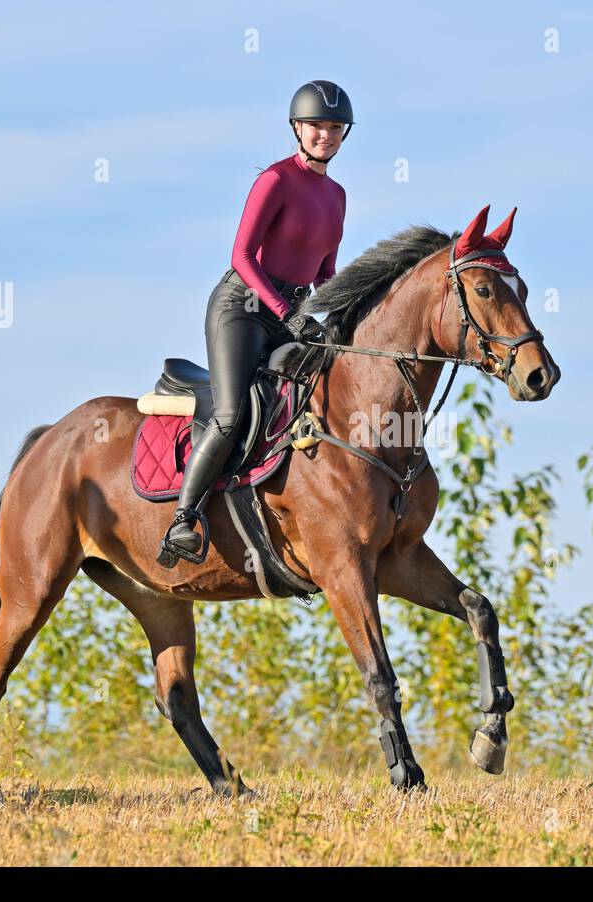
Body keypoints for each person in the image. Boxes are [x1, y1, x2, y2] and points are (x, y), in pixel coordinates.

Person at [157, 80, 352, 567]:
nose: (324, 135)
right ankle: (183, 519)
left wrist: (330, 317)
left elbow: (325, 272)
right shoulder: (275, 180)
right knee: (230, 415)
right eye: (315, 127)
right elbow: (241, 256)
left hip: (292, 313)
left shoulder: (338, 195)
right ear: (296, 129)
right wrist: (287, 313)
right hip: (241, 308)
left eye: (334, 128)